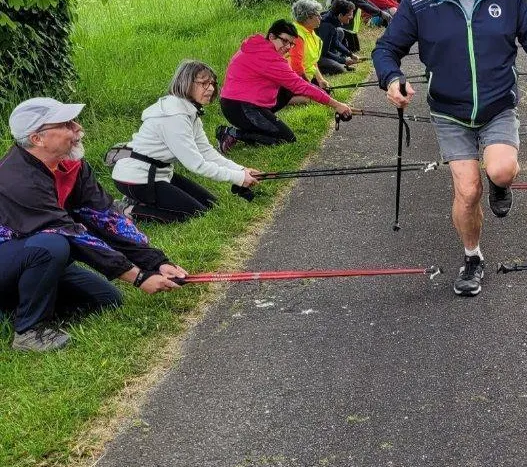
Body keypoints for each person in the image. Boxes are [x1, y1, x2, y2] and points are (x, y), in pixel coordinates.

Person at [372, 0, 527, 298]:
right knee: (468, 189)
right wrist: (392, 78)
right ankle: (472, 257)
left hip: (497, 104)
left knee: (502, 170)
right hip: (449, 110)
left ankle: (499, 184)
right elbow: (386, 49)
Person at [1, 98, 189, 352]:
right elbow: (72, 234)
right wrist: (138, 277)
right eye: (66, 124)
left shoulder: (72, 167)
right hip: (19, 257)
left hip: (31, 258)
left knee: (107, 299)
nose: (78, 129)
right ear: (38, 139)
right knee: (53, 244)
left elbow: (106, 218)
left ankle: (23, 302)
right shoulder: (17, 181)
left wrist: (156, 262)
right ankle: (29, 332)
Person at [111, 61, 260, 223]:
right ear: (186, 83)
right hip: (135, 179)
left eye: (212, 83)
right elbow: (197, 165)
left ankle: (139, 201)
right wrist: (238, 178)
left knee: (211, 206)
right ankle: (126, 210)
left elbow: (207, 152)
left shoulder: (189, 112)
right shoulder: (174, 117)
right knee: (196, 215)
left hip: (159, 174)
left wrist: (241, 170)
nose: (211, 88)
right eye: (204, 83)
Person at [216, 20, 353, 151]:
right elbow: (301, 85)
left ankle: (262, 124)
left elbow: (296, 83)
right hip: (240, 107)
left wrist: (320, 90)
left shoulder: (258, 45)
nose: (288, 47)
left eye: (291, 44)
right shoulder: (268, 58)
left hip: (235, 102)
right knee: (286, 139)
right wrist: (336, 105)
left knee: (288, 89)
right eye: (284, 41)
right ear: (271, 36)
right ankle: (232, 133)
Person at [289, 0, 330, 89]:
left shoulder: (310, 31)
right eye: (318, 15)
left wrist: (320, 80)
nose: (321, 18)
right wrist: (309, 86)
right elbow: (296, 67)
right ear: (308, 17)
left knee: (326, 90)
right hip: (293, 80)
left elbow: (312, 62)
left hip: (305, 77)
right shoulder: (297, 35)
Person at [316, 0, 360, 75]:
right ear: (340, 15)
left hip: (324, 49)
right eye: (349, 15)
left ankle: (336, 59)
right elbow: (323, 52)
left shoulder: (333, 18)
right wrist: (343, 61)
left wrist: (350, 54)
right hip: (318, 55)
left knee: (340, 31)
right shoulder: (327, 26)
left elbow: (335, 42)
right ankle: (321, 67)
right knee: (340, 69)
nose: (351, 17)